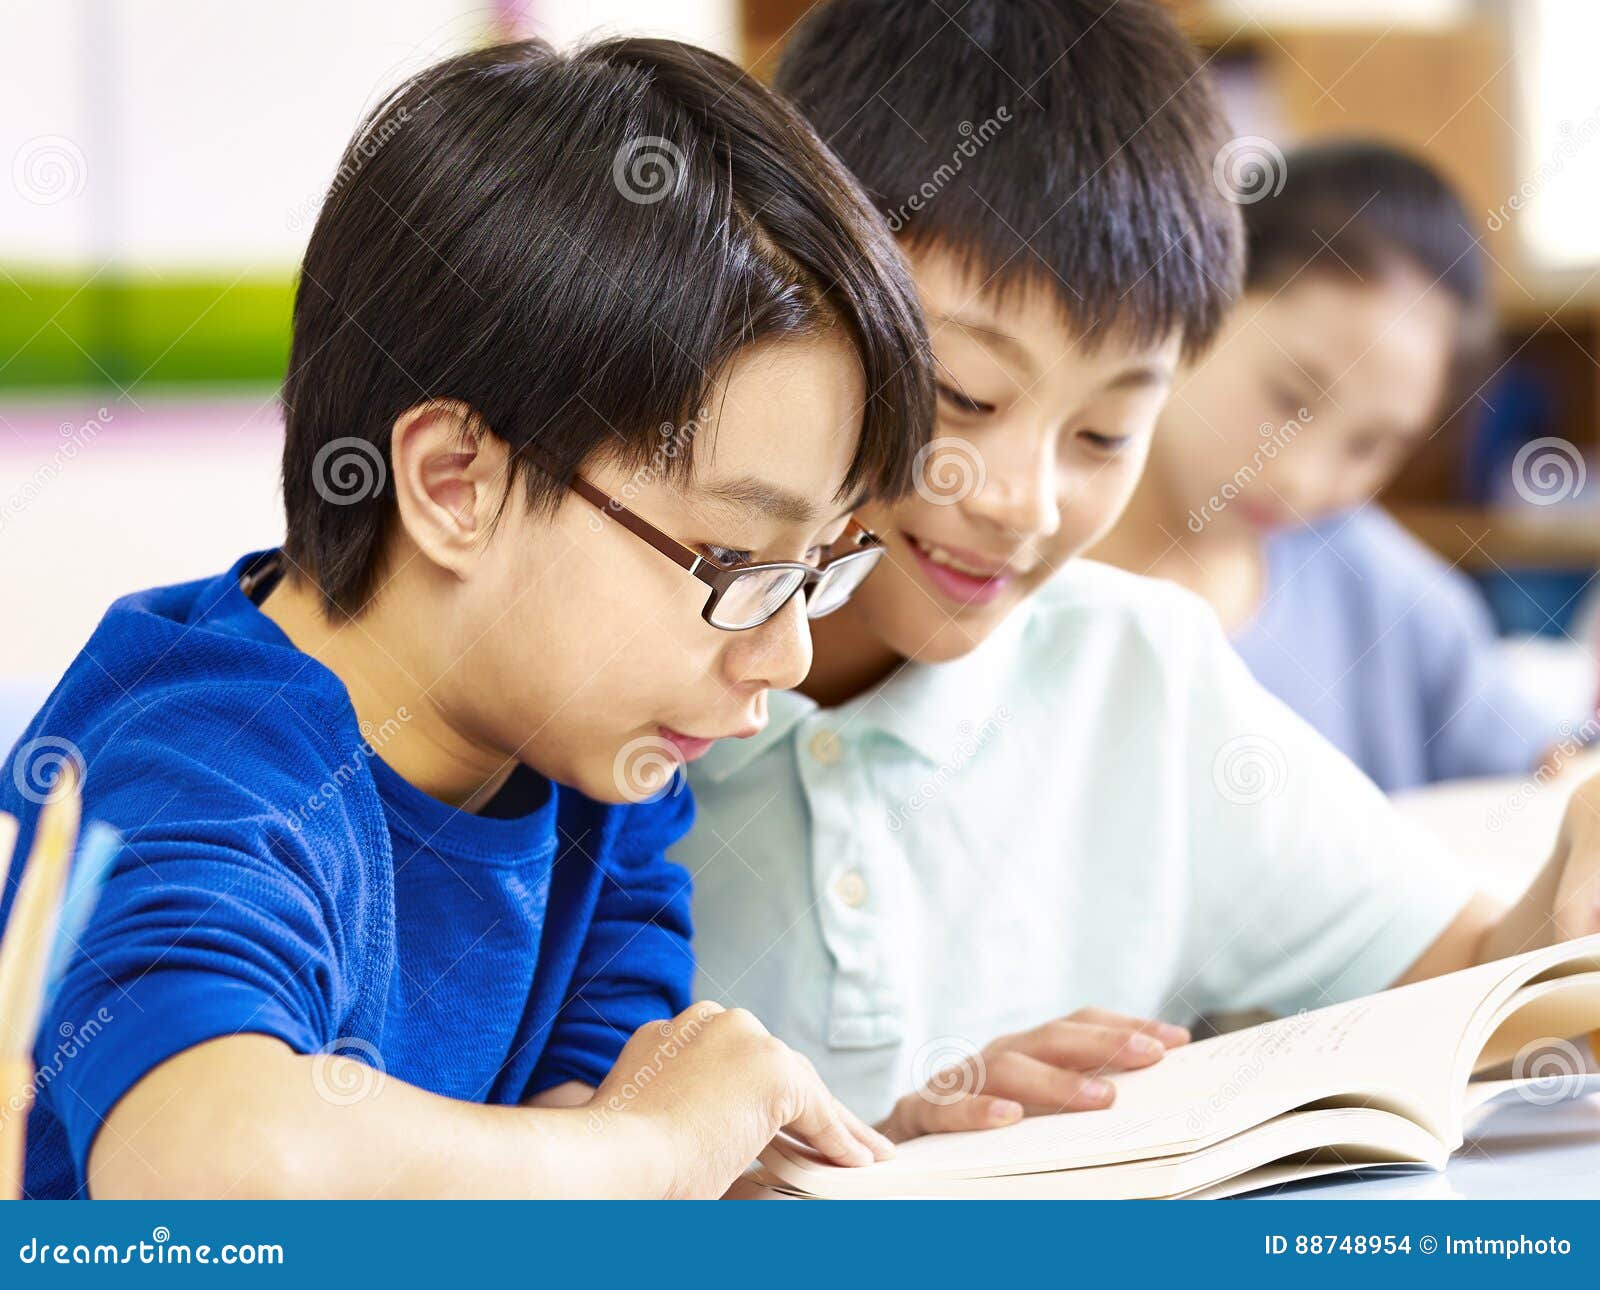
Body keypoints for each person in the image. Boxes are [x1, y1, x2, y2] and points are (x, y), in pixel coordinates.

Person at [0, 36, 932, 1198]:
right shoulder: (205, 761)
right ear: (454, 483)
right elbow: (205, 1166)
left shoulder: (609, 765)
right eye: (736, 559)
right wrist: (654, 1146)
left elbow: (573, 1161)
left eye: (817, 567)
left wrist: (922, 1151)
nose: (785, 653)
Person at [672, 0, 1600, 1139]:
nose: (1026, 501)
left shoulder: (1141, 678)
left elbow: (1470, 985)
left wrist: (1576, 845)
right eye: (966, 396)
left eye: (1106, 433)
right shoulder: (617, 689)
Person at [1094, 141, 1560, 791]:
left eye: (1372, 445)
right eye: (1289, 397)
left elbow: (1549, 769)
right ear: (1196, 296)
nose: (1300, 478)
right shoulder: (1016, 553)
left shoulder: (1396, 601)